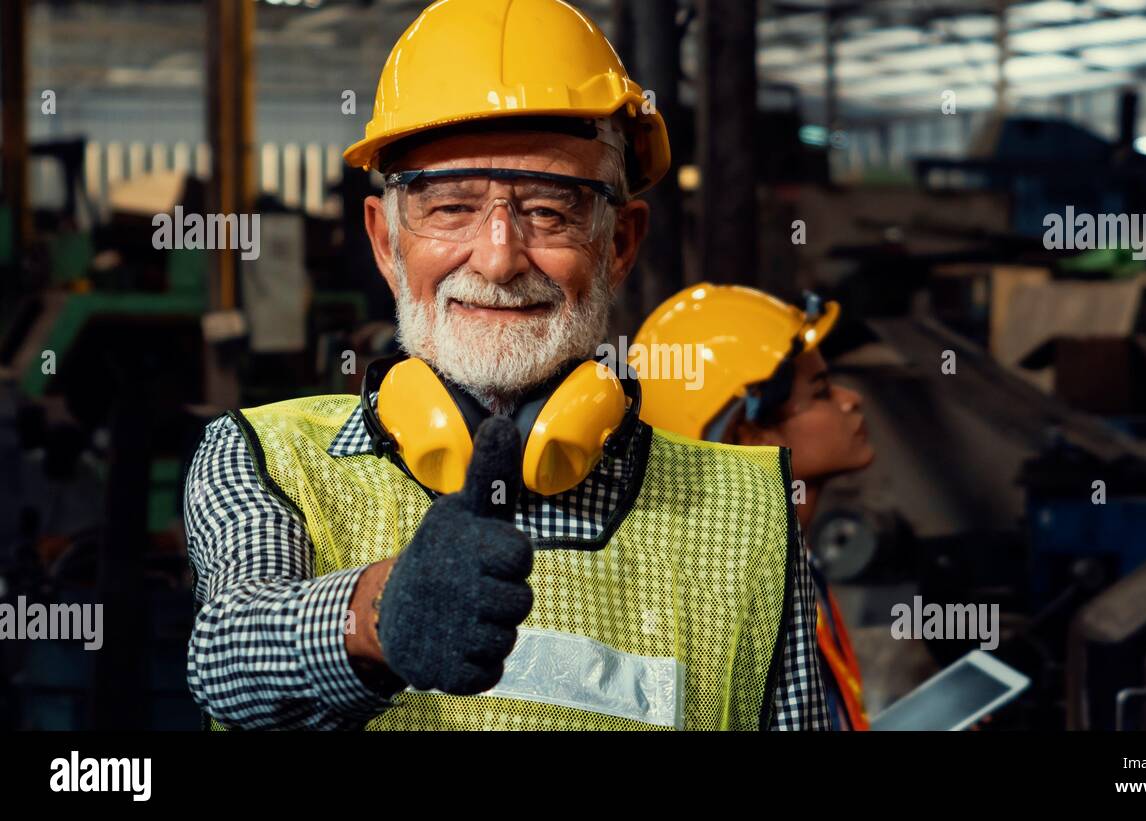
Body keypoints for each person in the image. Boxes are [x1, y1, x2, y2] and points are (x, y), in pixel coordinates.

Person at [183, 0, 829, 731]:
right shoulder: (272, 459)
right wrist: (374, 618)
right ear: (387, 243)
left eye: (551, 212)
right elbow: (224, 653)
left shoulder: (750, 513)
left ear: (619, 245)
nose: (497, 258)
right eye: (452, 208)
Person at [633, 284, 876, 729]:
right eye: (821, 392)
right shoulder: (724, 596)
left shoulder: (784, 558)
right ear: (751, 435)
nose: (850, 398)